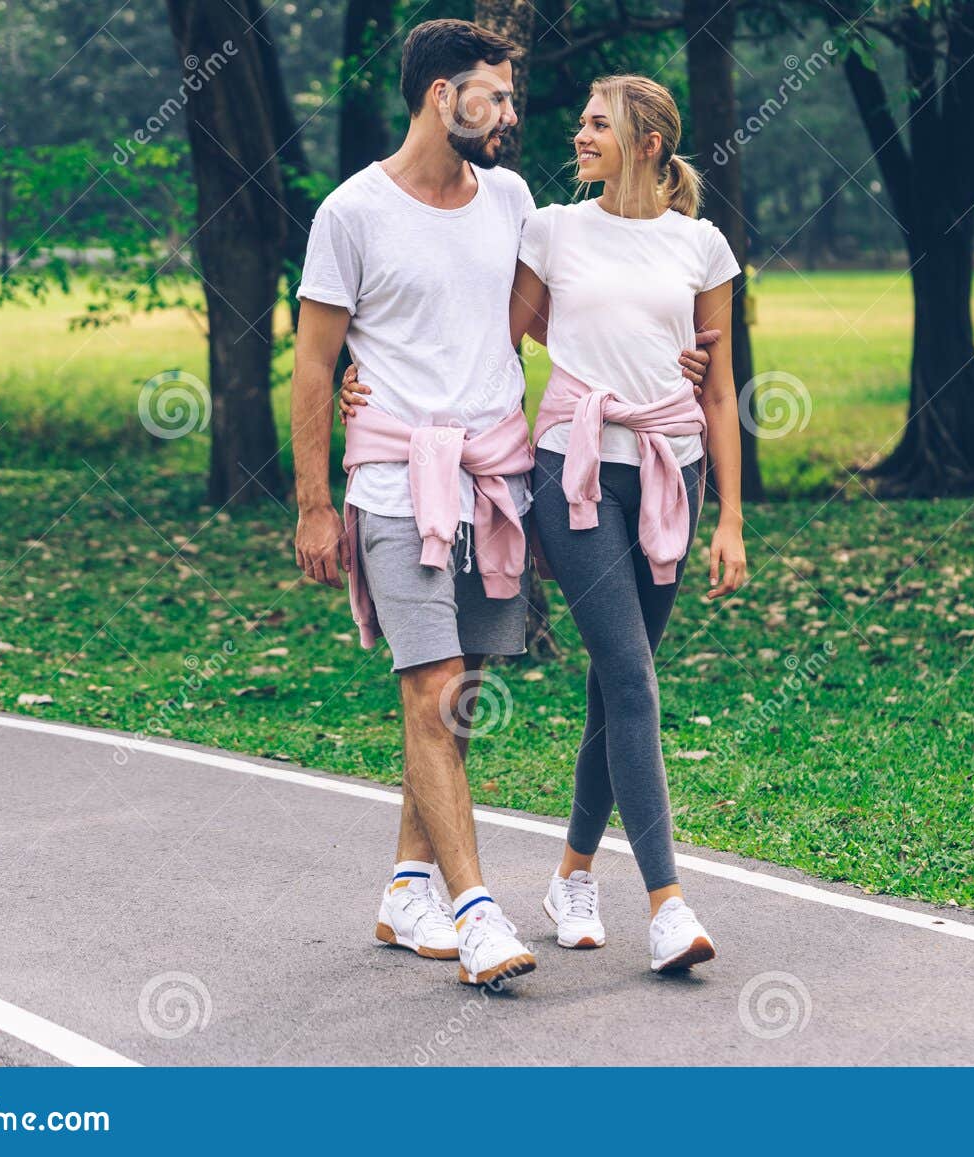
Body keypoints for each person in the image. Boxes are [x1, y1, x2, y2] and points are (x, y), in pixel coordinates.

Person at [297, 22, 712, 987]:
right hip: (397, 478)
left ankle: (408, 885)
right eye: (497, 94)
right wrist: (315, 502)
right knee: (434, 685)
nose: (513, 114)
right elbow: (315, 361)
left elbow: (567, 316)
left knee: (459, 695)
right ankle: (477, 910)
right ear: (444, 96)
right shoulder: (351, 212)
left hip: (493, 478)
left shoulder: (515, 201)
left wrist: (667, 364)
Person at [513, 75, 748, 972]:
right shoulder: (553, 228)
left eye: (598, 124)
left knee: (617, 687)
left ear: (647, 143)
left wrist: (731, 518)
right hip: (573, 470)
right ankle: (667, 904)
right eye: (580, 123)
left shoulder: (702, 245)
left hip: (671, 473)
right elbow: (506, 339)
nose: (580, 135)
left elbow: (719, 390)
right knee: (634, 679)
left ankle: (572, 875)